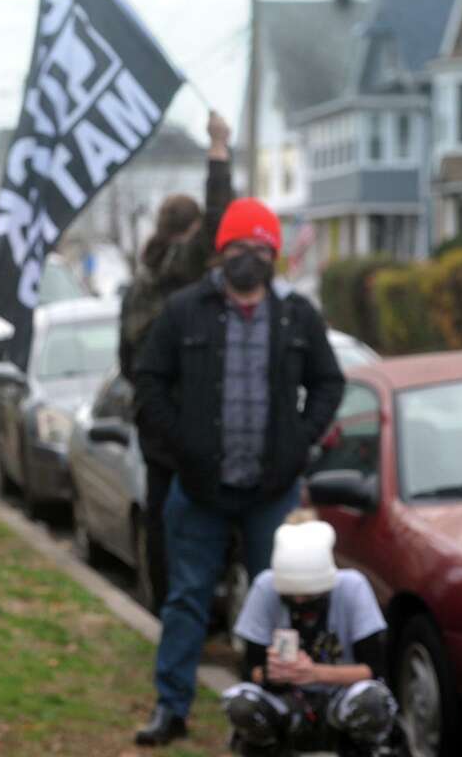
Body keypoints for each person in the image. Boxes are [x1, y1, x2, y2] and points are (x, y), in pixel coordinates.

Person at [132, 196, 346, 746]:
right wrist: (180, 444)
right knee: (186, 598)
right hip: (200, 488)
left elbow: (329, 382)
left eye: (260, 247)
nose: (248, 256)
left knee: (279, 600)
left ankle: (275, 708)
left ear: (274, 254)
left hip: (271, 491)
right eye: (238, 247)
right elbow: (149, 379)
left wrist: (300, 439)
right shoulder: (184, 311)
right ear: (219, 252)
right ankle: (171, 707)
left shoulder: (297, 315)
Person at [119, 111, 233, 611]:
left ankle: (169, 608)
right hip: (181, 411)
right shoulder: (180, 269)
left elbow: (125, 359)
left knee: (163, 516)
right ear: (188, 234)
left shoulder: (140, 278)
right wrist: (217, 151)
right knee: (203, 514)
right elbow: (219, 217)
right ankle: (199, 608)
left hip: (152, 415)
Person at [224, 519, 401, 756]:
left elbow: (374, 668)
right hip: (284, 698)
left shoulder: (353, 587)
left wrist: (315, 673)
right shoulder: (265, 587)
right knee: (241, 705)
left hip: (339, 695)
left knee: (373, 700)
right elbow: (249, 669)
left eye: (309, 596)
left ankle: (360, 748)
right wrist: (272, 674)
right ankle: (267, 748)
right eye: (291, 595)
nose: (299, 602)